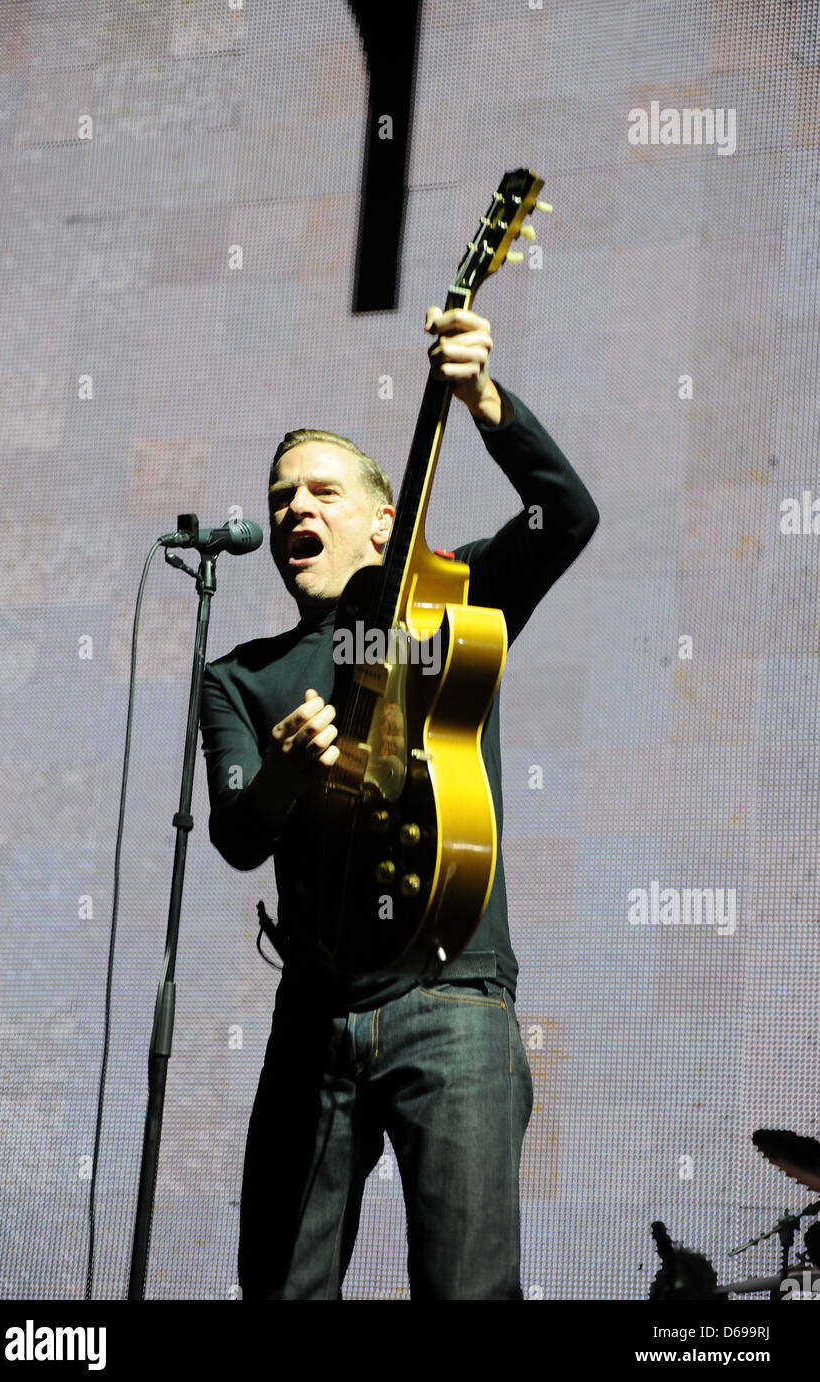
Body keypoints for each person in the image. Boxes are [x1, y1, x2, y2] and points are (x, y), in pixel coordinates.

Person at [199, 306, 599, 1299]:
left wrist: (486, 403)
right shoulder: (239, 677)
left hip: (452, 998)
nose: (296, 507)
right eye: (281, 495)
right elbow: (238, 834)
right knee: (282, 1288)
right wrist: (291, 771)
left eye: (322, 490)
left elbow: (566, 514)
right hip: (313, 1017)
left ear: (384, 517)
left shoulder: (456, 601)